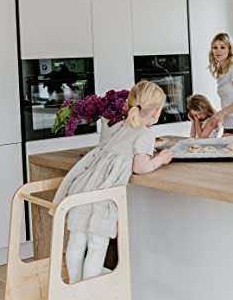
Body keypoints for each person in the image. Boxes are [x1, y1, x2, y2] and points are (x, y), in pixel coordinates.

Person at [52, 81, 174, 284]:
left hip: (83, 186)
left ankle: (74, 287)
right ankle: (88, 293)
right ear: (156, 112)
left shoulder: (119, 126)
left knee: (77, 240)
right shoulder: (144, 133)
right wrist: (160, 159)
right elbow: (140, 167)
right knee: (97, 244)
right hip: (102, 194)